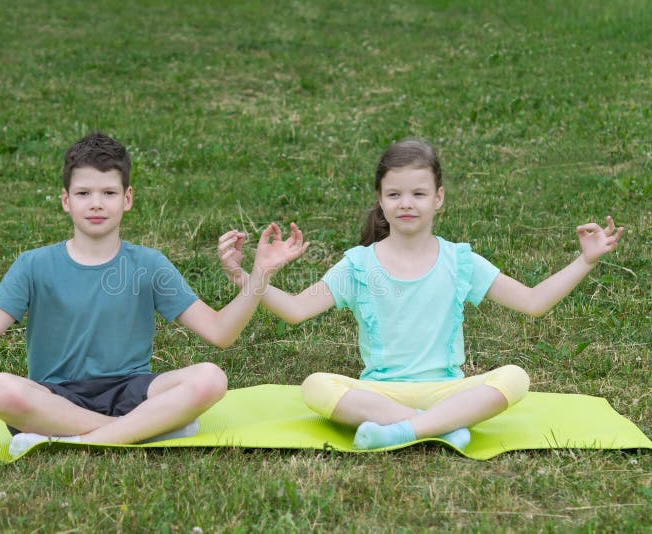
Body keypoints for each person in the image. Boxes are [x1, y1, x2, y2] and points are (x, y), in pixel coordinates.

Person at [0, 132, 307, 457]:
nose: (96, 203)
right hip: (55, 399)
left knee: (211, 378)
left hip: (131, 391)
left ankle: (85, 440)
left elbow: (220, 333)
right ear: (65, 201)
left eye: (108, 193)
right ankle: (146, 431)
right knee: (0, 389)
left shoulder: (149, 264)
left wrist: (259, 273)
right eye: (83, 194)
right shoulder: (33, 265)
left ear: (127, 199)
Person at [218, 138, 624, 451]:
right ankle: (442, 427)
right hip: (380, 393)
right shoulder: (359, 265)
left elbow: (533, 302)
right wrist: (246, 276)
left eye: (418, 194)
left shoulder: (459, 261)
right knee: (315, 386)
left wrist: (584, 262)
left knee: (515, 378)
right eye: (394, 195)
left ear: (438, 199)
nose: (406, 204)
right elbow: (295, 310)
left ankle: (405, 431)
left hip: (448, 390)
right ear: (380, 200)